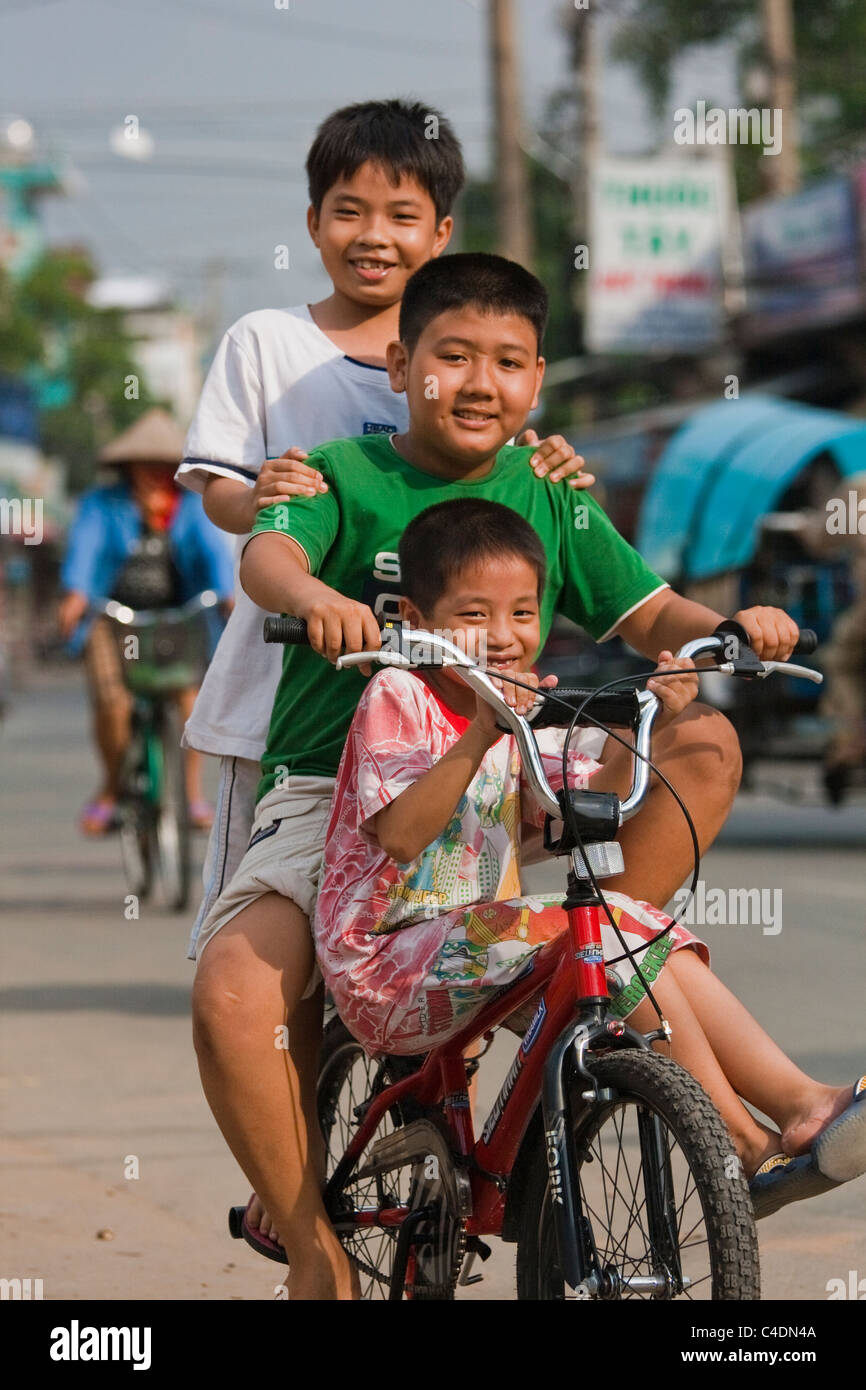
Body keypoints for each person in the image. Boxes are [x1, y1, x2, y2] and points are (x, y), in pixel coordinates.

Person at [191, 251, 804, 1299]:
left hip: (497, 787)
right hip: (347, 795)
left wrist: (727, 631)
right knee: (234, 992)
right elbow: (266, 559)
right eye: (453, 357)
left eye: (507, 361)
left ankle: (617, 1011)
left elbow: (648, 613)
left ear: (537, 378)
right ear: (400, 362)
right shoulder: (338, 473)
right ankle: (306, 1242)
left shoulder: (550, 492)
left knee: (698, 737)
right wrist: (315, 596)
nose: (479, 382)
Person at [176, 98, 590, 1247]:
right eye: (348, 210)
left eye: (400, 215)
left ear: (440, 228)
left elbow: (511, 468)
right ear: (311, 220)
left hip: (445, 711)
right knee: (285, 967)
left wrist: (546, 452)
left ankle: (473, 1114)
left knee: (447, 913)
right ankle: (291, 1177)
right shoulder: (270, 341)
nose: (372, 233)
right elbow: (214, 487)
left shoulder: (461, 348)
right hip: (295, 706)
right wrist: (277, 497)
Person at [316, 497, 866, 1224]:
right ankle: (734, 1136)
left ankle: (803, 1106)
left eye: (521, 612)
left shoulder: (517, 702)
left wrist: (649, 722)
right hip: (384, 963)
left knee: (626, 923)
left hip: (469, 946)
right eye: (474, 616)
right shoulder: (401, 693)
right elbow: (400, 836)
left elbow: (575, 812)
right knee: (606, 931)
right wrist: (482, 732)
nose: (504, 637)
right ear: (417, 623)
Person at [57, 408, 234, 834]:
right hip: (111, 616)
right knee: (114, 704)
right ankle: (111, 787)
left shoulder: (191, 506)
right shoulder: (103, 504)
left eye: (166, 464)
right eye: (148, 464)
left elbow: (214, 555)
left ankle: (191, 796)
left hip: (177, 616)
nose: (157, 473)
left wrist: (228, 596)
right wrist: (77, 595)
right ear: (130, 467)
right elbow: (85, 550)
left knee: (190, 701)